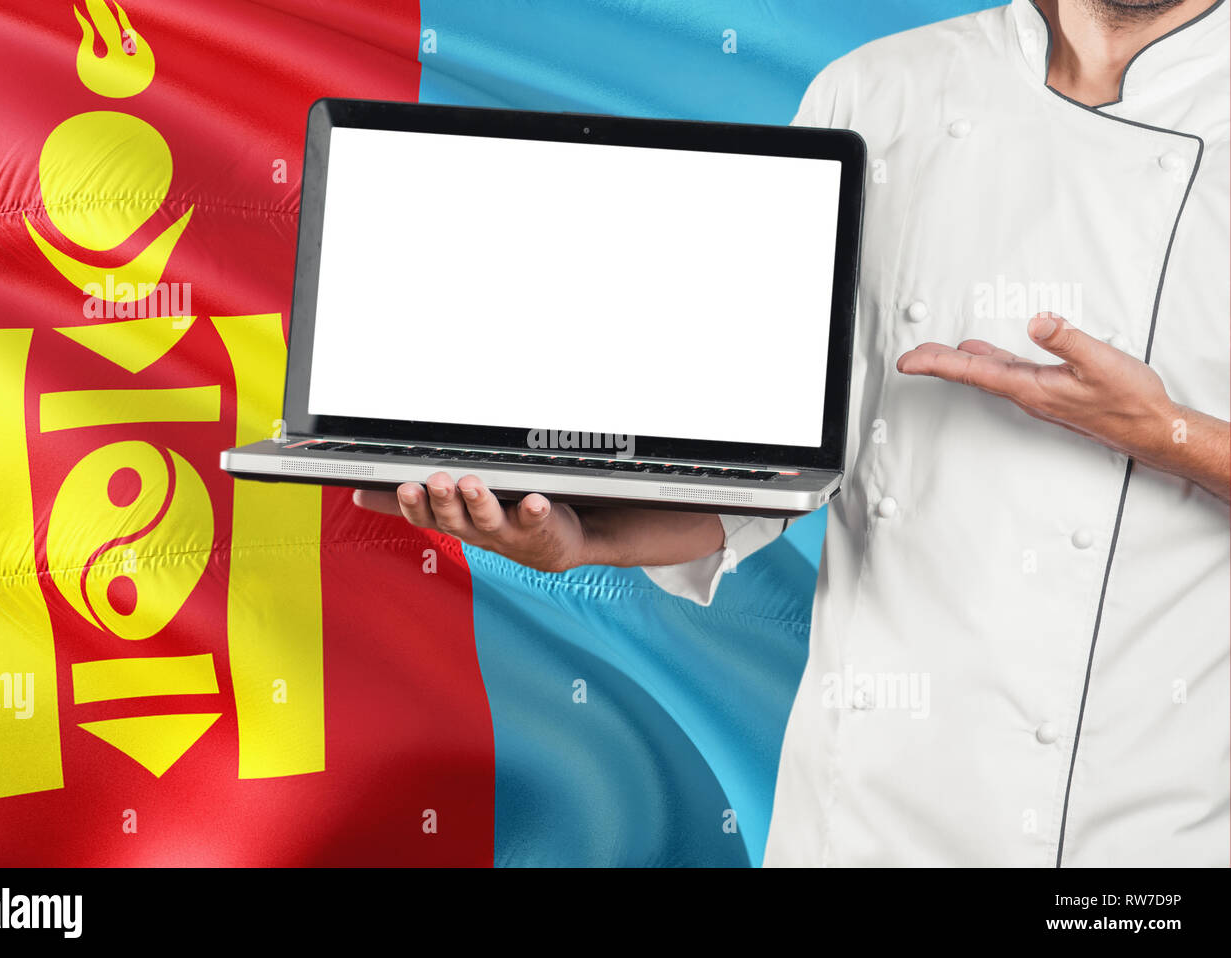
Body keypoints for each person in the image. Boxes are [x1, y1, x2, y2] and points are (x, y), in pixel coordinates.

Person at [354, 0, 1230, 865]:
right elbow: (781, 465)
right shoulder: (878, 91)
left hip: (1147, 828)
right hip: (866, 818)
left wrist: (1168, 435)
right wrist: (585, 535)